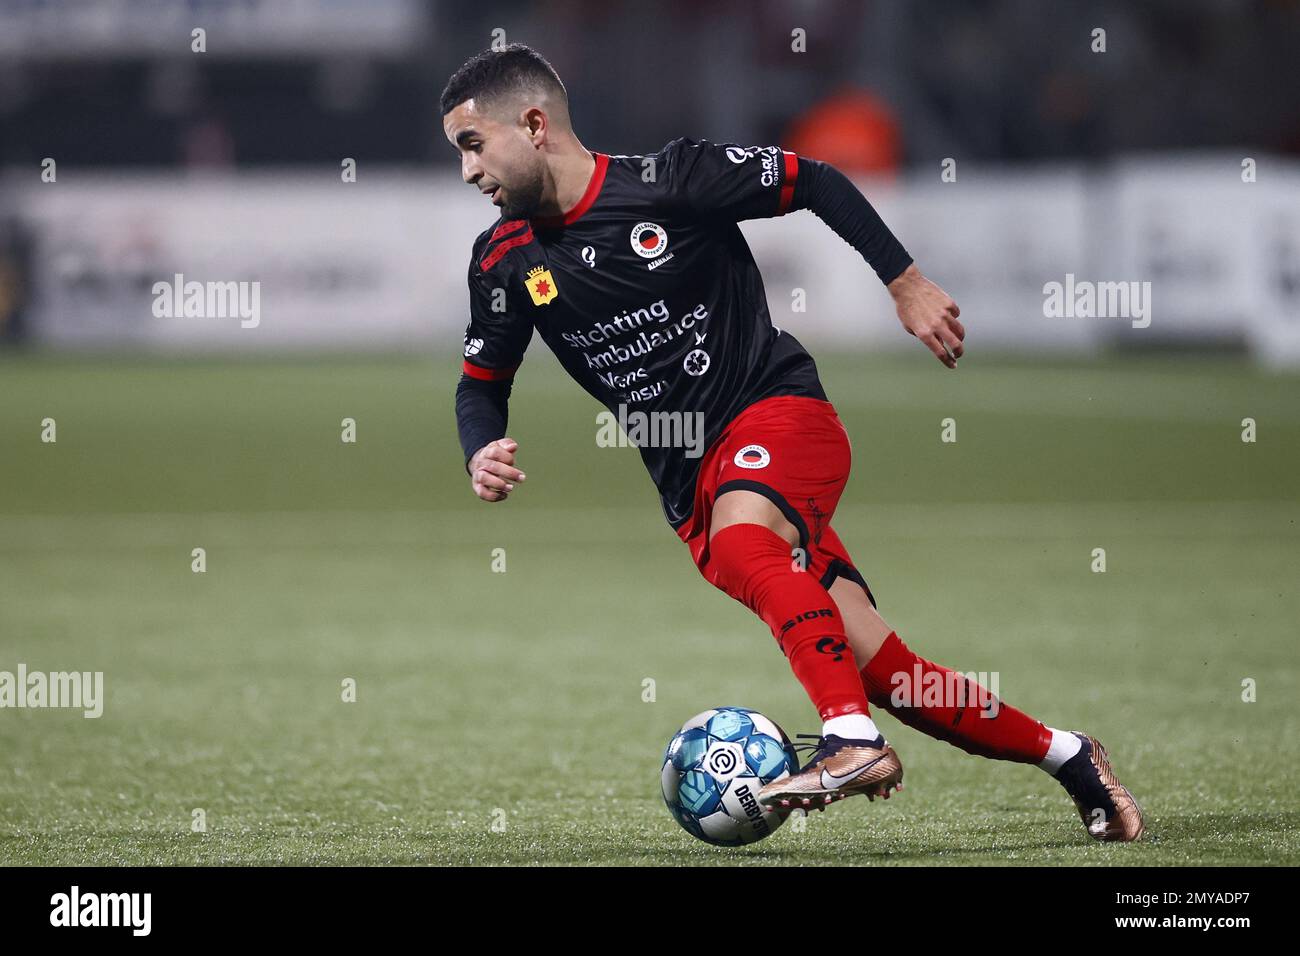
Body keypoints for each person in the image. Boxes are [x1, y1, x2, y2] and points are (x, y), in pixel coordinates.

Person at [443, 43, 1143, 840]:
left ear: (533, 125)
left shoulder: (673, 180)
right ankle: (1070, 756)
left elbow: (815, 180)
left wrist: (905, 282)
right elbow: (481, 381)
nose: (468, 172)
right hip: (691, 491)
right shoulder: (503, 259)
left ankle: (848, 737)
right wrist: (481, 445)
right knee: (894, 675)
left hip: (778, 415)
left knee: (749, 547)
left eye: (473, 145)